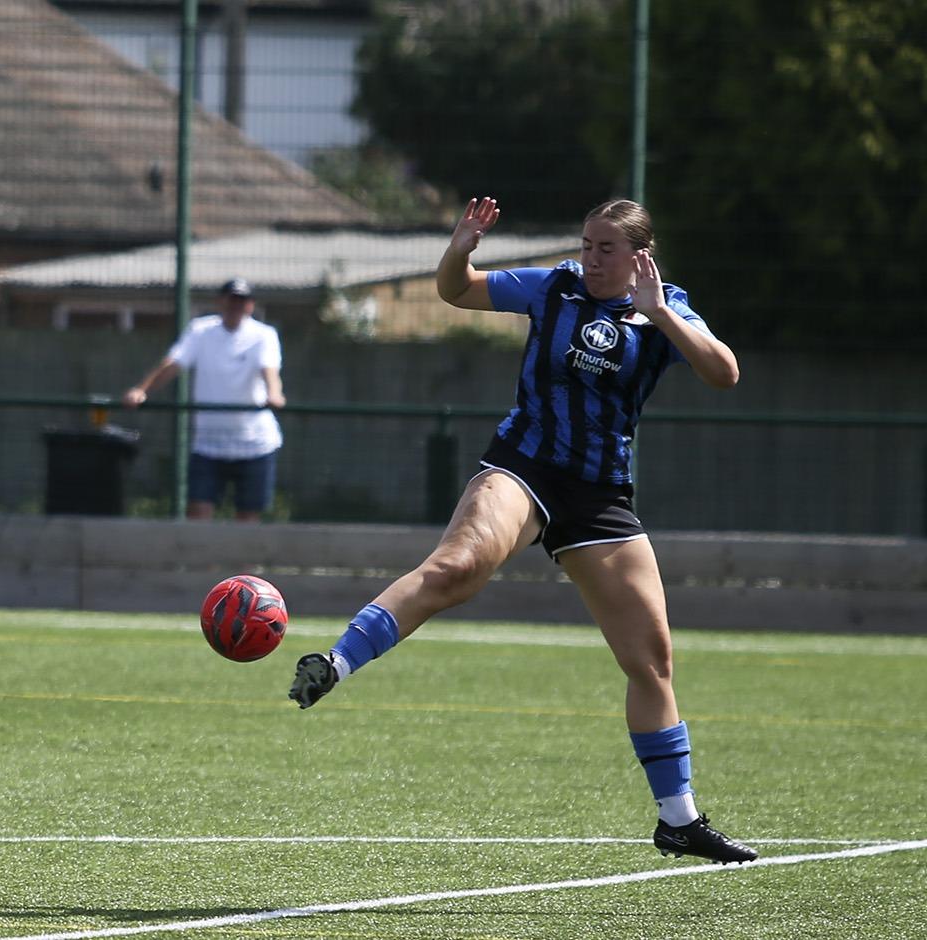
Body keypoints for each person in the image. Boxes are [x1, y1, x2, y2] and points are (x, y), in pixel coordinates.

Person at [288, 197, 758, 865]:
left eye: (606, 249)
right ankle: (335, 662)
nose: (591, 258)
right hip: (524, 465)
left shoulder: (666, 308)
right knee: (458, 566)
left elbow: (725, 373)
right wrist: (460, 249)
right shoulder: (553, 284)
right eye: (587, 243)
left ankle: (678, 821)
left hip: (599, 496)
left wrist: (658, 313)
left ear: (638, 258)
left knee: (651, 661)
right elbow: (458, 291)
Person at [122, 277, 286, 521]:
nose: (236, 306)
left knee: (248, 520)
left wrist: (274, 393)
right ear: (220, 302)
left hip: (255, 443)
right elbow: (173, 363)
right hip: (209, 443)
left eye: (242, 301)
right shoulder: (201, 331)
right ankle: (203, 561)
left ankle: (244, 561)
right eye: (231, 299)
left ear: (250, 305)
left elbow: (269, 371)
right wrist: (142, 389)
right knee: (198, 513)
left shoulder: (264, 335)